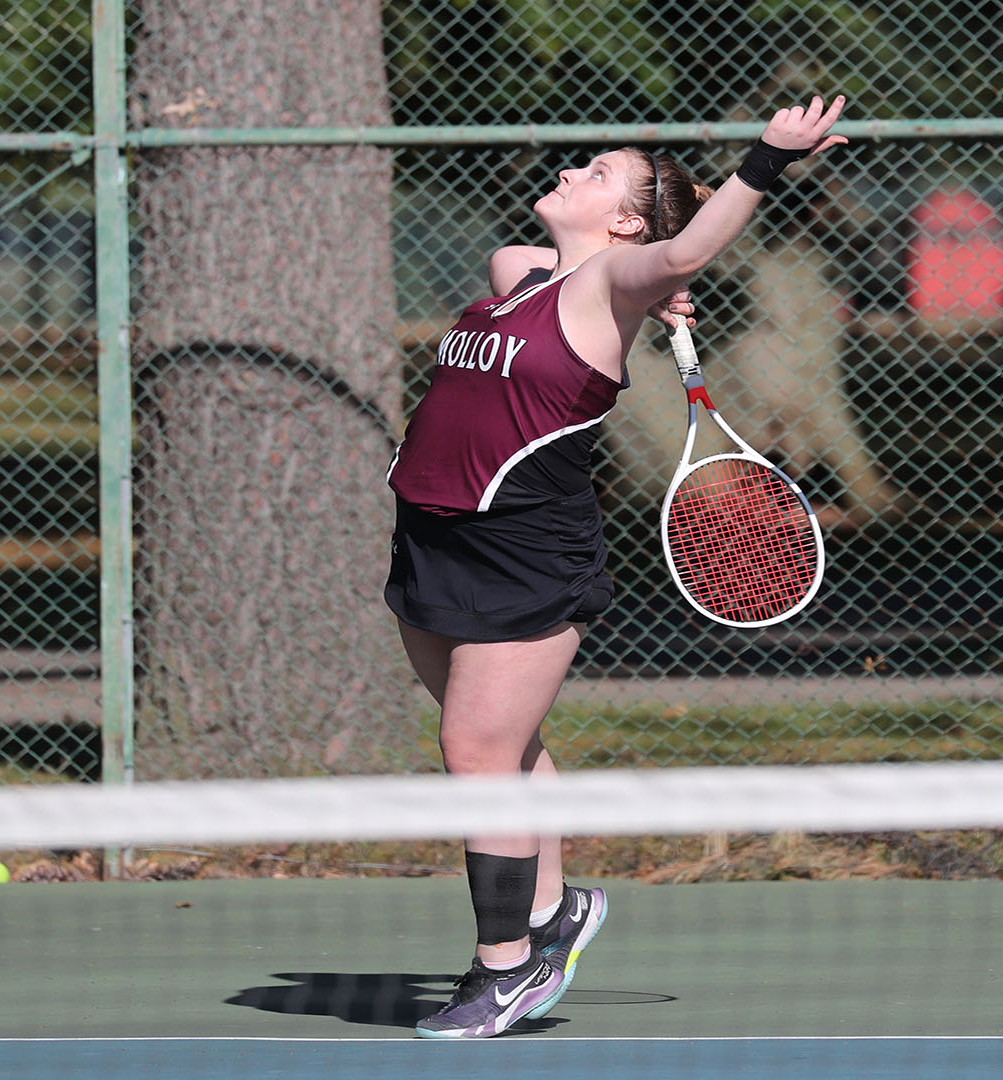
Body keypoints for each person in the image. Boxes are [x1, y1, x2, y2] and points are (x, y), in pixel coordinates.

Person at [384, 96, 849, 1039]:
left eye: (597, 174)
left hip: (525, 552)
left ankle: (504, 968)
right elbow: (543, 263)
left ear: (630, 222)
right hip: (431, 535)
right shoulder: (523, 276)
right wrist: (632, 284)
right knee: (502, 747)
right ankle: (556, 910)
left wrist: (763, 160)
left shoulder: (610, 288)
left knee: (475, 757)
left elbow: (678, 256)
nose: (569, 172)